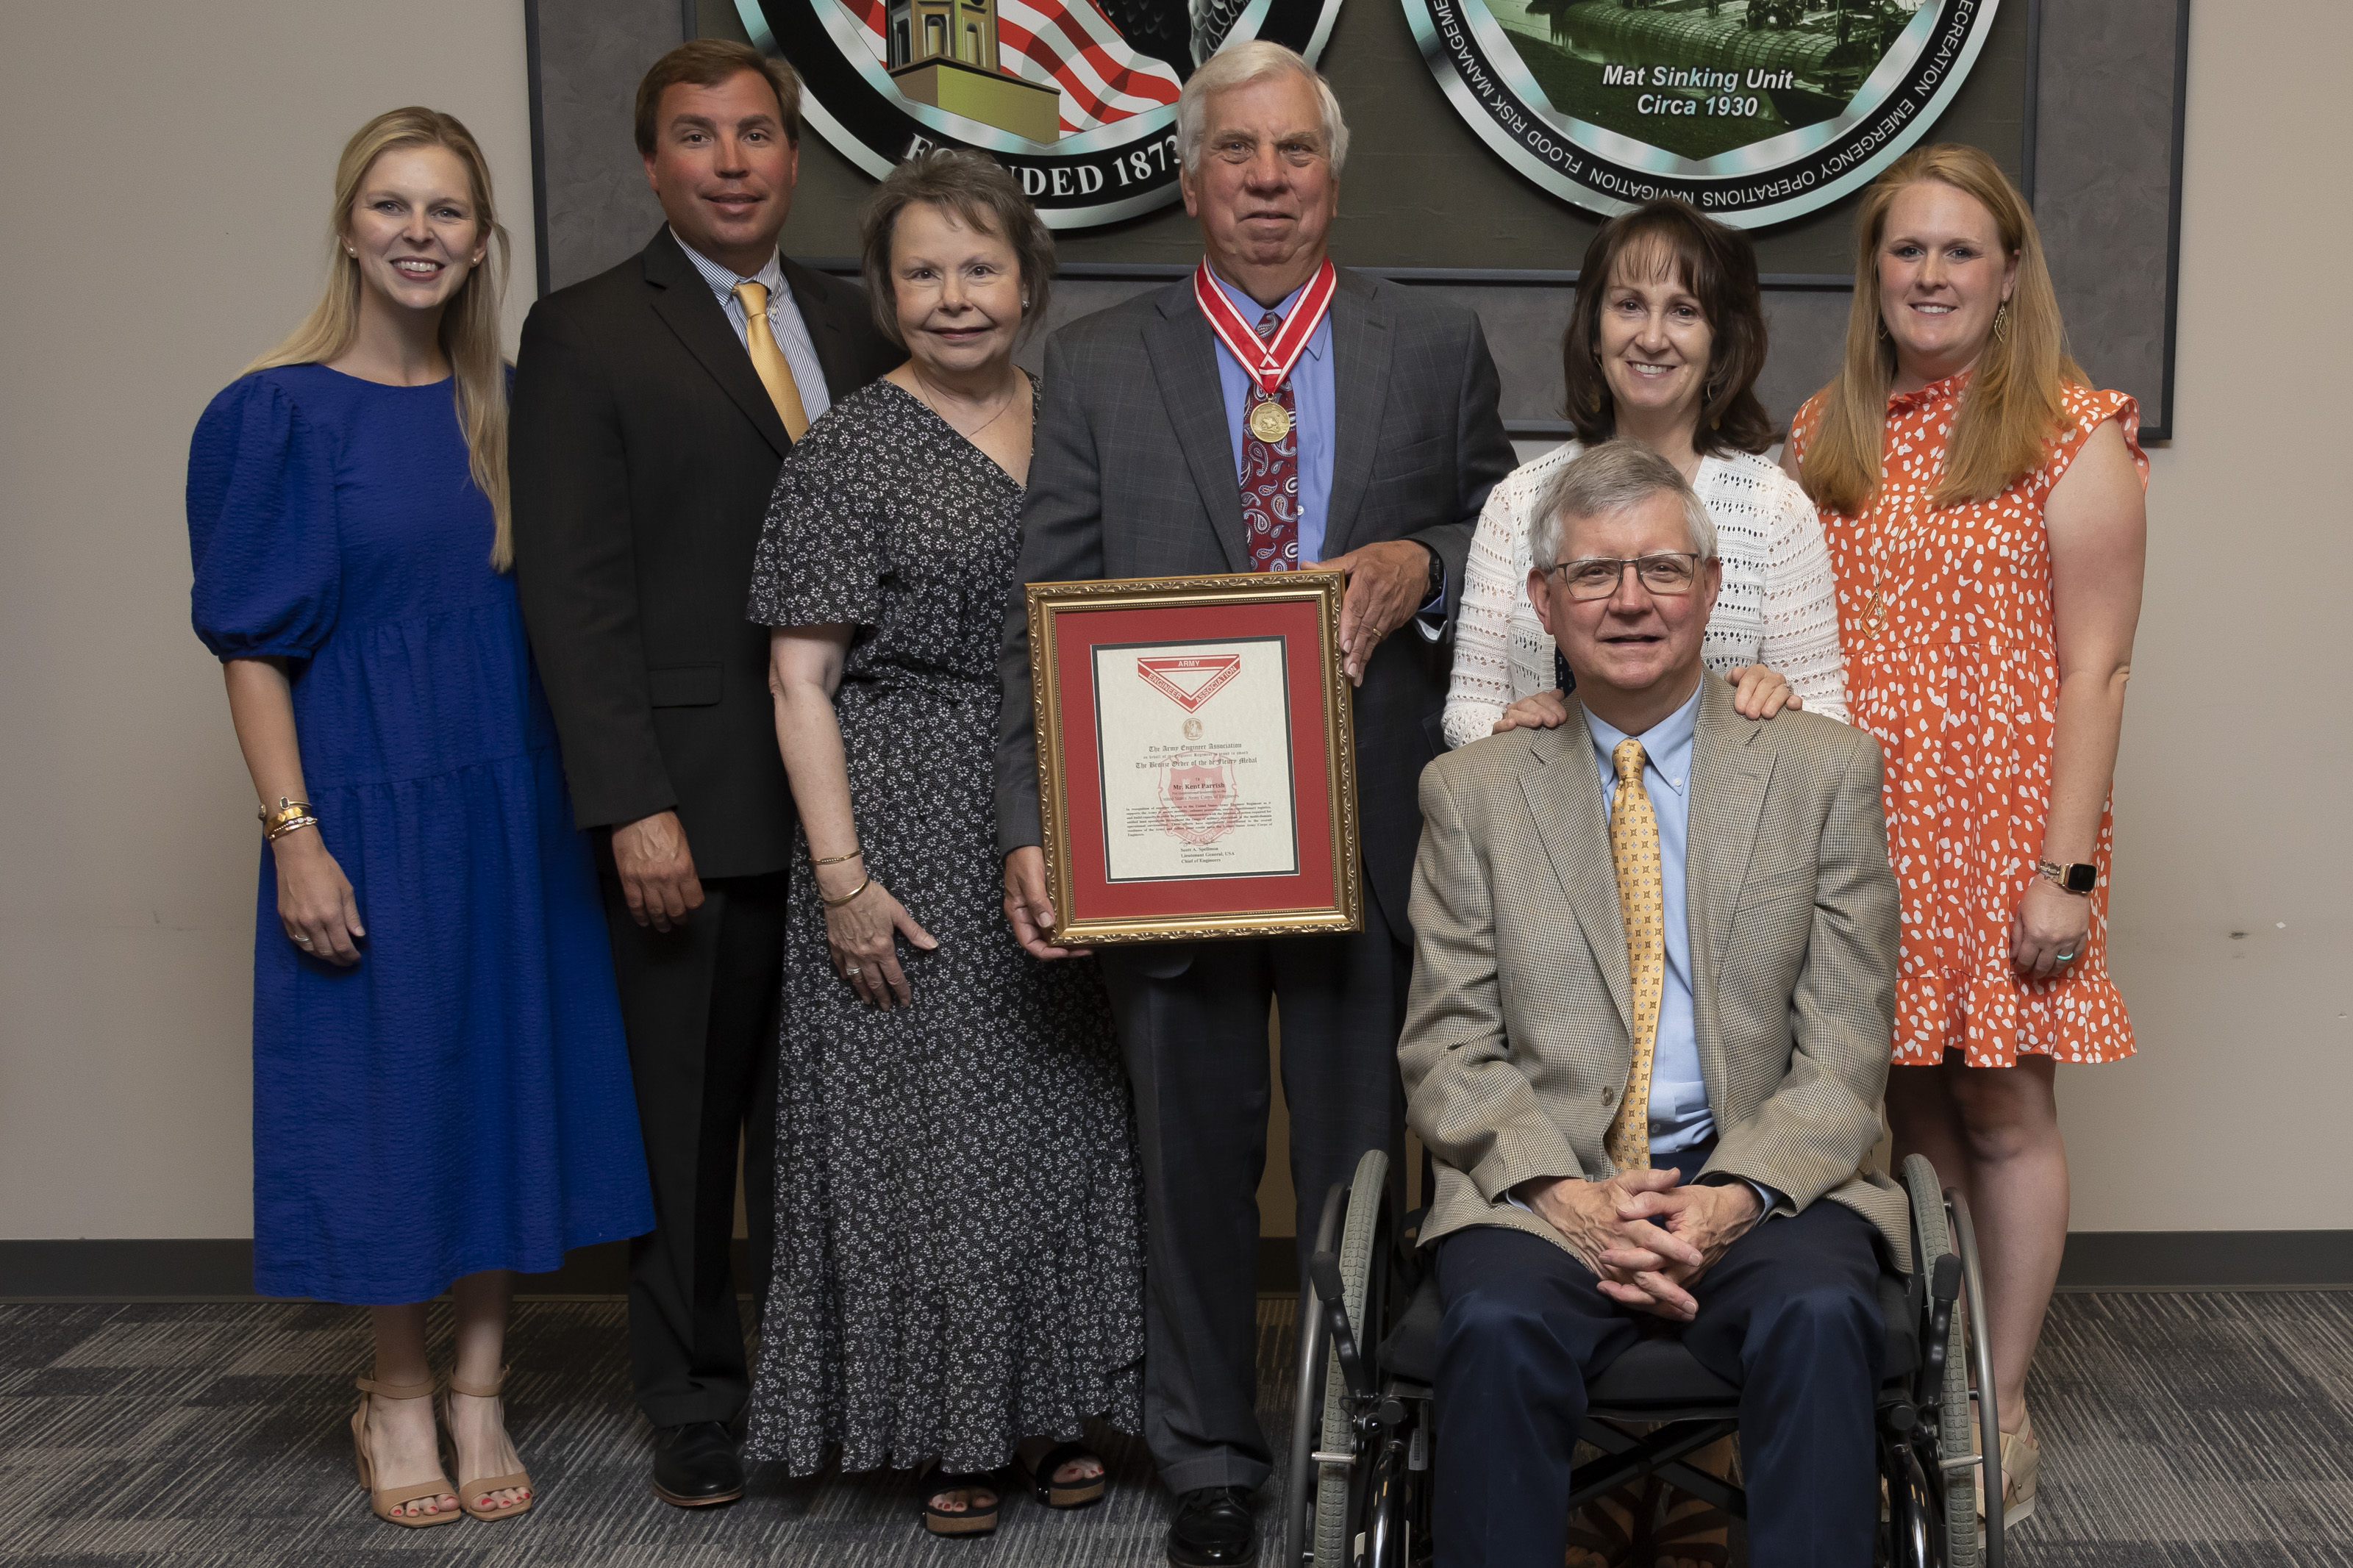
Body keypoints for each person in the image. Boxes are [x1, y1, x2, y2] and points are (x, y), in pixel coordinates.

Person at [994, 40, 1516, 1568]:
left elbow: (1500, 520)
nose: (1268, 181)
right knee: (1190, 1160)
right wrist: (1035, 817)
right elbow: (1050, 602)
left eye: (1294, 153)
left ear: (1331, 174)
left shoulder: (1431, 342)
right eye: (1237, 153)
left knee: (1367, 1157)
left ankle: (1360, 1426)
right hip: (1165, 841)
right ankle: (1210, 1453)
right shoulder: (1095, 362)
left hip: (1372, 833)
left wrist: (1423, 551)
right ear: (1187, 175)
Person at [185, 107, 653, 1528]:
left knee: (504, 1083)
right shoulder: (273, 410)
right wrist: (293, 835)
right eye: (390, 205)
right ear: (347, 224)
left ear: (481, 238)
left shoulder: (509, 405)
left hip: (513, 806)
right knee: (387, 1101)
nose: (417, 233)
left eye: (446, 211)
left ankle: (481, 1386)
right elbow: (252, 646)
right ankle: (393, 1387)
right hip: (365, 808)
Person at [508, 40, 900, 1508]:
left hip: (860, 803)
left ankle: (825, 1378)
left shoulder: (863, 328)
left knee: (831, 1133)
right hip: (692, 799)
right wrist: (630, 802)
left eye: (756, 135)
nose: (732, 162)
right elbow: (575, 591)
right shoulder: (588, 331)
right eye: (698, 137)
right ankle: (693, 1399)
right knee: (686, 1127)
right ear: (651, 160)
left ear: (796, 157)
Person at [1400, 442, 1905, 1568]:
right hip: (1543, 1185)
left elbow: (1844, 1052)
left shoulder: (1824, 771)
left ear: (1712, 589)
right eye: (1592, 574)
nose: (1630, 600)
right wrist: (1570, 1196)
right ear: (1544, 600)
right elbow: (1448, 1046)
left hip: (1769, 1181)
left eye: (1663, 570)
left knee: (1823, 1317)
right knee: (1491, 1326)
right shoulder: (1473, 793)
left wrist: (1731, 1197)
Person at [742, 149, 1143, 1539]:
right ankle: (945, 1426)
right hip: (904, 813)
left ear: (1028, 280)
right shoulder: (848, 448)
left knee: (1061, 1116)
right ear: (885, 291)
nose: (955, 296)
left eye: (981, 267)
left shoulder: (1081, 413)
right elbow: (799, 682)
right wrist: (846, 881)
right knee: (929, 1141)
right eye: (924, 271)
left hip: (1072, 801)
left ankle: (1054, 1405)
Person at [1781, 142, 2148, 1523]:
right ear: (1876, 273)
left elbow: (2096, 668)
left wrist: (2065, 869)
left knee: (2002, 1101)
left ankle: (2000, 1394)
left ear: (2007, 278)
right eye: (1906, 250)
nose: (1930, 274)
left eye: (1959, 252)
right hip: (1862, 826)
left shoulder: (2070, 428)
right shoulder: (1830, 429)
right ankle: (1933, 1367)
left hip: (2006, 826)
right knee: (1901, 1099)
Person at [1443, 197, 1846, 750]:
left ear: (1720, 342)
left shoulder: (1775, 510)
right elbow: (1468, 710)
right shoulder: (1518, 502)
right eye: (1629, 305)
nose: (1652, 337)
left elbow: (1828, 720)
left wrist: (1783, 705)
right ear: (1594, 328)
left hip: (1717, 827)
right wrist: (1509, 730)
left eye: (1684, 311)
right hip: (1544, 821)